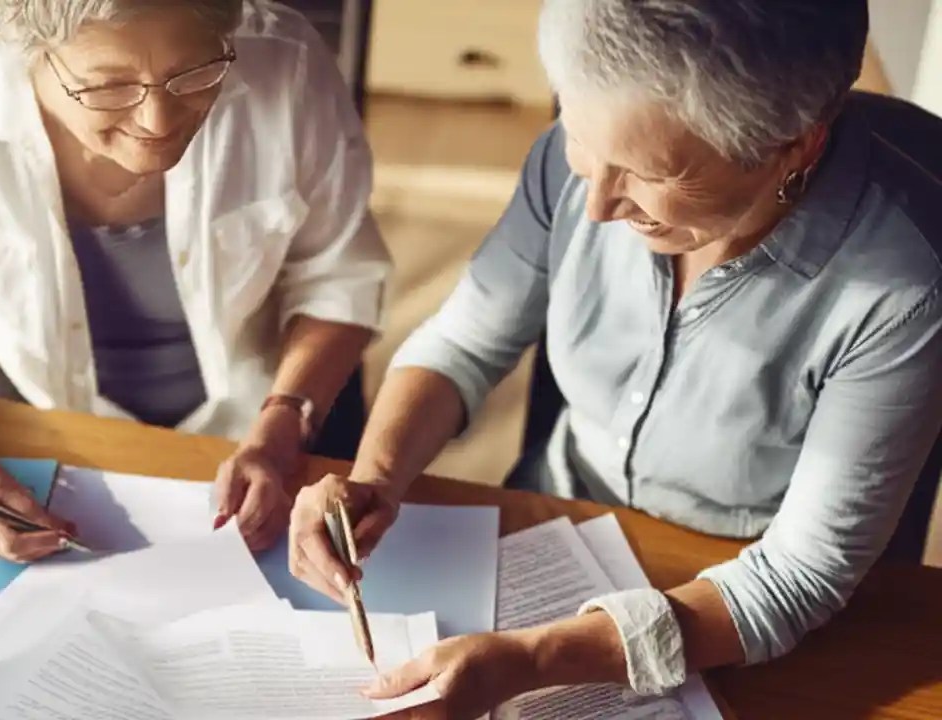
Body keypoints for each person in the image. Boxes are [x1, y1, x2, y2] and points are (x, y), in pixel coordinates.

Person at [288, 1, 942, 717]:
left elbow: (798, 575)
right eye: (577, 136)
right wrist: (375, 478)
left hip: (739, 602)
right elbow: (464, 343)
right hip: (551, 532)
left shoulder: (905, 284)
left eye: (644, 172)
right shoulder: (578, 168)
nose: (595, 206)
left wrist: (535, 659)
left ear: (795, 148)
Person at [0, 0, 387, 562]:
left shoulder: (287, 62)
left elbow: (339, 278)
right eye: (107, 86)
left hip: (277, 404)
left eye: (194, 72)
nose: (158, 122)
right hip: (42, 403)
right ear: (29, 48)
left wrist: (282, 426)